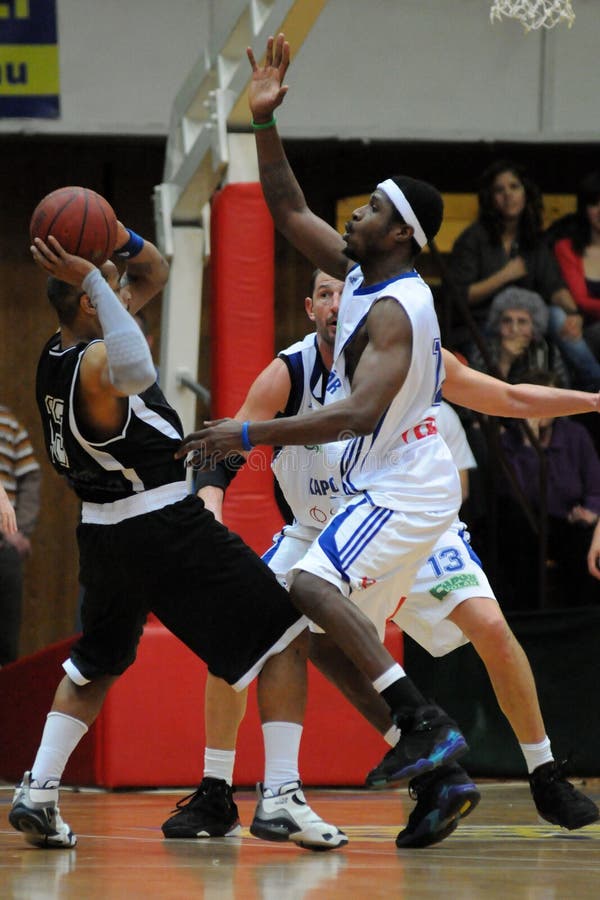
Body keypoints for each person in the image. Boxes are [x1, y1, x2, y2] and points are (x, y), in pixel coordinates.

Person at [176, 36, 600, 840]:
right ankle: (432, 764)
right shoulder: (362, 278)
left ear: (399, 234)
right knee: (306, 623)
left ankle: (446, 731)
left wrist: (245, 430)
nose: (353, 217)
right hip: (372, 492)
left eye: (369, 210)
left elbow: (363, 416)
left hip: (409, 485)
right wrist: (263, 123)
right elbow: (288, 208)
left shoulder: (398, 312)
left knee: (317, 593)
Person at [170, 269, 600, 846]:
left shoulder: (410, 356)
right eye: (324, 293)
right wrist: (210, 499)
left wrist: (593, 399)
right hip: (319, 531)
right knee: (240, 630)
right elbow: (222, 448)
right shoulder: (291, 371)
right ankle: (219, 789)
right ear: (309, 306)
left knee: (491, 626)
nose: (336, 303)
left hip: (408, 517)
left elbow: (510, 397)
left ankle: (545, 775)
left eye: (345, 293)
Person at [8, 227, 346, 854]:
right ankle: (281, 797)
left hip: (103, 532)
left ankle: (39, 789)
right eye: (106, 285)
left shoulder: (55, 352)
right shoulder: (103, 364)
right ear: (87, 301)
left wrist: (116, 239)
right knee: (286, 636)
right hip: (162, 523)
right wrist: (95, 278)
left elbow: (155, 273)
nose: (119, 288)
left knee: (96, 663)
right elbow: (136, 365)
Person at [449, 159, 600, 391]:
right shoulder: (473, 238)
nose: (508, 195)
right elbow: (459, 296)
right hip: (483, 323)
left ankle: (594, 382)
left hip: (526, 323)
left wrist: (574, 314)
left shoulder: (533, 240)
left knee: (559, 316)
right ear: (490, 198)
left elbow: (555, 286)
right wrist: (504, 275)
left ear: (526, 193)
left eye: (514, 187)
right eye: (499, 190)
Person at [497, 370, 600, 609]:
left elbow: (595, 485)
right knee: (519, 539)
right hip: (530, 523)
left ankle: (583, 618)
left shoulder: (575, 434)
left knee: (585, 544)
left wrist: (591, 511)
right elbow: (518, 494)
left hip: (570, 520)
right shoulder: (508, 441)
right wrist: (527, 445)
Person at [0, 403, 41, 665]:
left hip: (5, 550)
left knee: (5, 641)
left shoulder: (8, 422)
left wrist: (19, 530)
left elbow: (30, 477)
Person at [468, 286, 570, 386]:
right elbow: (480, 394)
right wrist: (505, 361)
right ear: (498, 324)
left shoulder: (548, 350)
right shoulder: (483, 350)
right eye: (507, 321)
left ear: (534, 325)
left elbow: (564, 392)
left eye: (522, 322)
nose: (514, 329)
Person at [553, 171, 600, 360]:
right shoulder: (567, 248)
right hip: (585, 327)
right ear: (584, 209)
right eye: (594, 204)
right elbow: (581, 300)